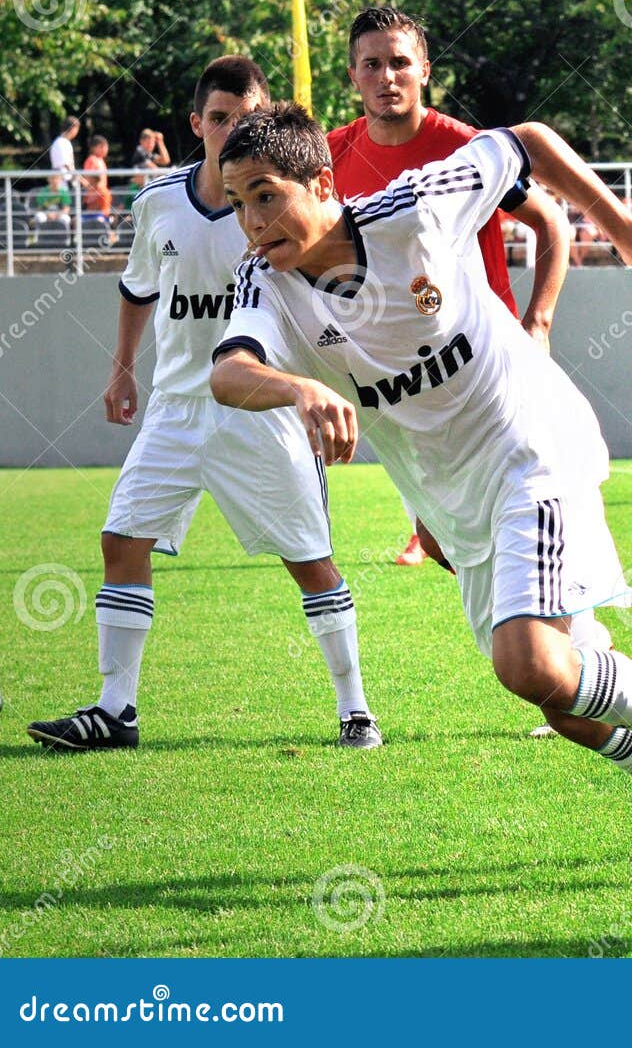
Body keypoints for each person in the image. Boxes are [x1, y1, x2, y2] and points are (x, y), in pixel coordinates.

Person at [212, 103, 632, 863]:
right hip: (457, 505)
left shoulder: (412, 208)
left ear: (322, 181)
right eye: (236, 204)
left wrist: (627, 234)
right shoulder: (265, 279)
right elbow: (229, 371)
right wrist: (301, 390)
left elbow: (530, 143)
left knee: (527, 662)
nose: (252, 222)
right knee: (568, 707)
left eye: (264, 194)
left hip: (532, 447)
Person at [25, 57, 380, 753]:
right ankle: (115, 709)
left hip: (261, 413)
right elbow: (137, 288)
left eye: (243, 118)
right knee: (121, 539)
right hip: (176, 408)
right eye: (218, 119)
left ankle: (356, 709)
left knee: (309, 560)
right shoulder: (158, 201)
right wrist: (122, 370)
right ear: (197, 124)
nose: (230, 130)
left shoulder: (280, 209)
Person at [327, 6, 570, 567]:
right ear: (353, 74)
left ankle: (564, 634)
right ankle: (546, 634)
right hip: (407, 376)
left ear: (425, 70)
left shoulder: (465, 148)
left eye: (400, 63)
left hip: (488, 362)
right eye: (372, 64)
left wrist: (538, 322)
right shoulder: (331, 159)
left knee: (517, 514)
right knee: (442, 540)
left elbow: (550, 221)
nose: (387, 77)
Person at [81, 134, 116, 243]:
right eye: (105, 147)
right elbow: (89, 180)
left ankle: (110, 236)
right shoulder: (91, 160)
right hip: (95, 196)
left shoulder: (101, 160)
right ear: (97, 147)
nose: (106, 150)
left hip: (103, 196)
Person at [48, 117, 79, 191]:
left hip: (65, 182)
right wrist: (78, 178)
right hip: (63, 183)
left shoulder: (63, 142)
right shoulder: (61, 143)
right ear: (73, 128)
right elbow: (66, 164)